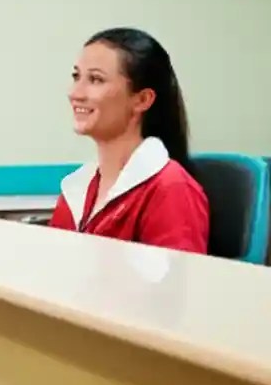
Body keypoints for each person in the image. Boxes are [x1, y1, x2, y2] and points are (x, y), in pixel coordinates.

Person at [50, 27, 209, 253]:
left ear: (142, 99)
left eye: (95, 79)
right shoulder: (77, 188)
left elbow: (175, 287)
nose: (76, 93)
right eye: (77, 76)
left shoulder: (171, 188)